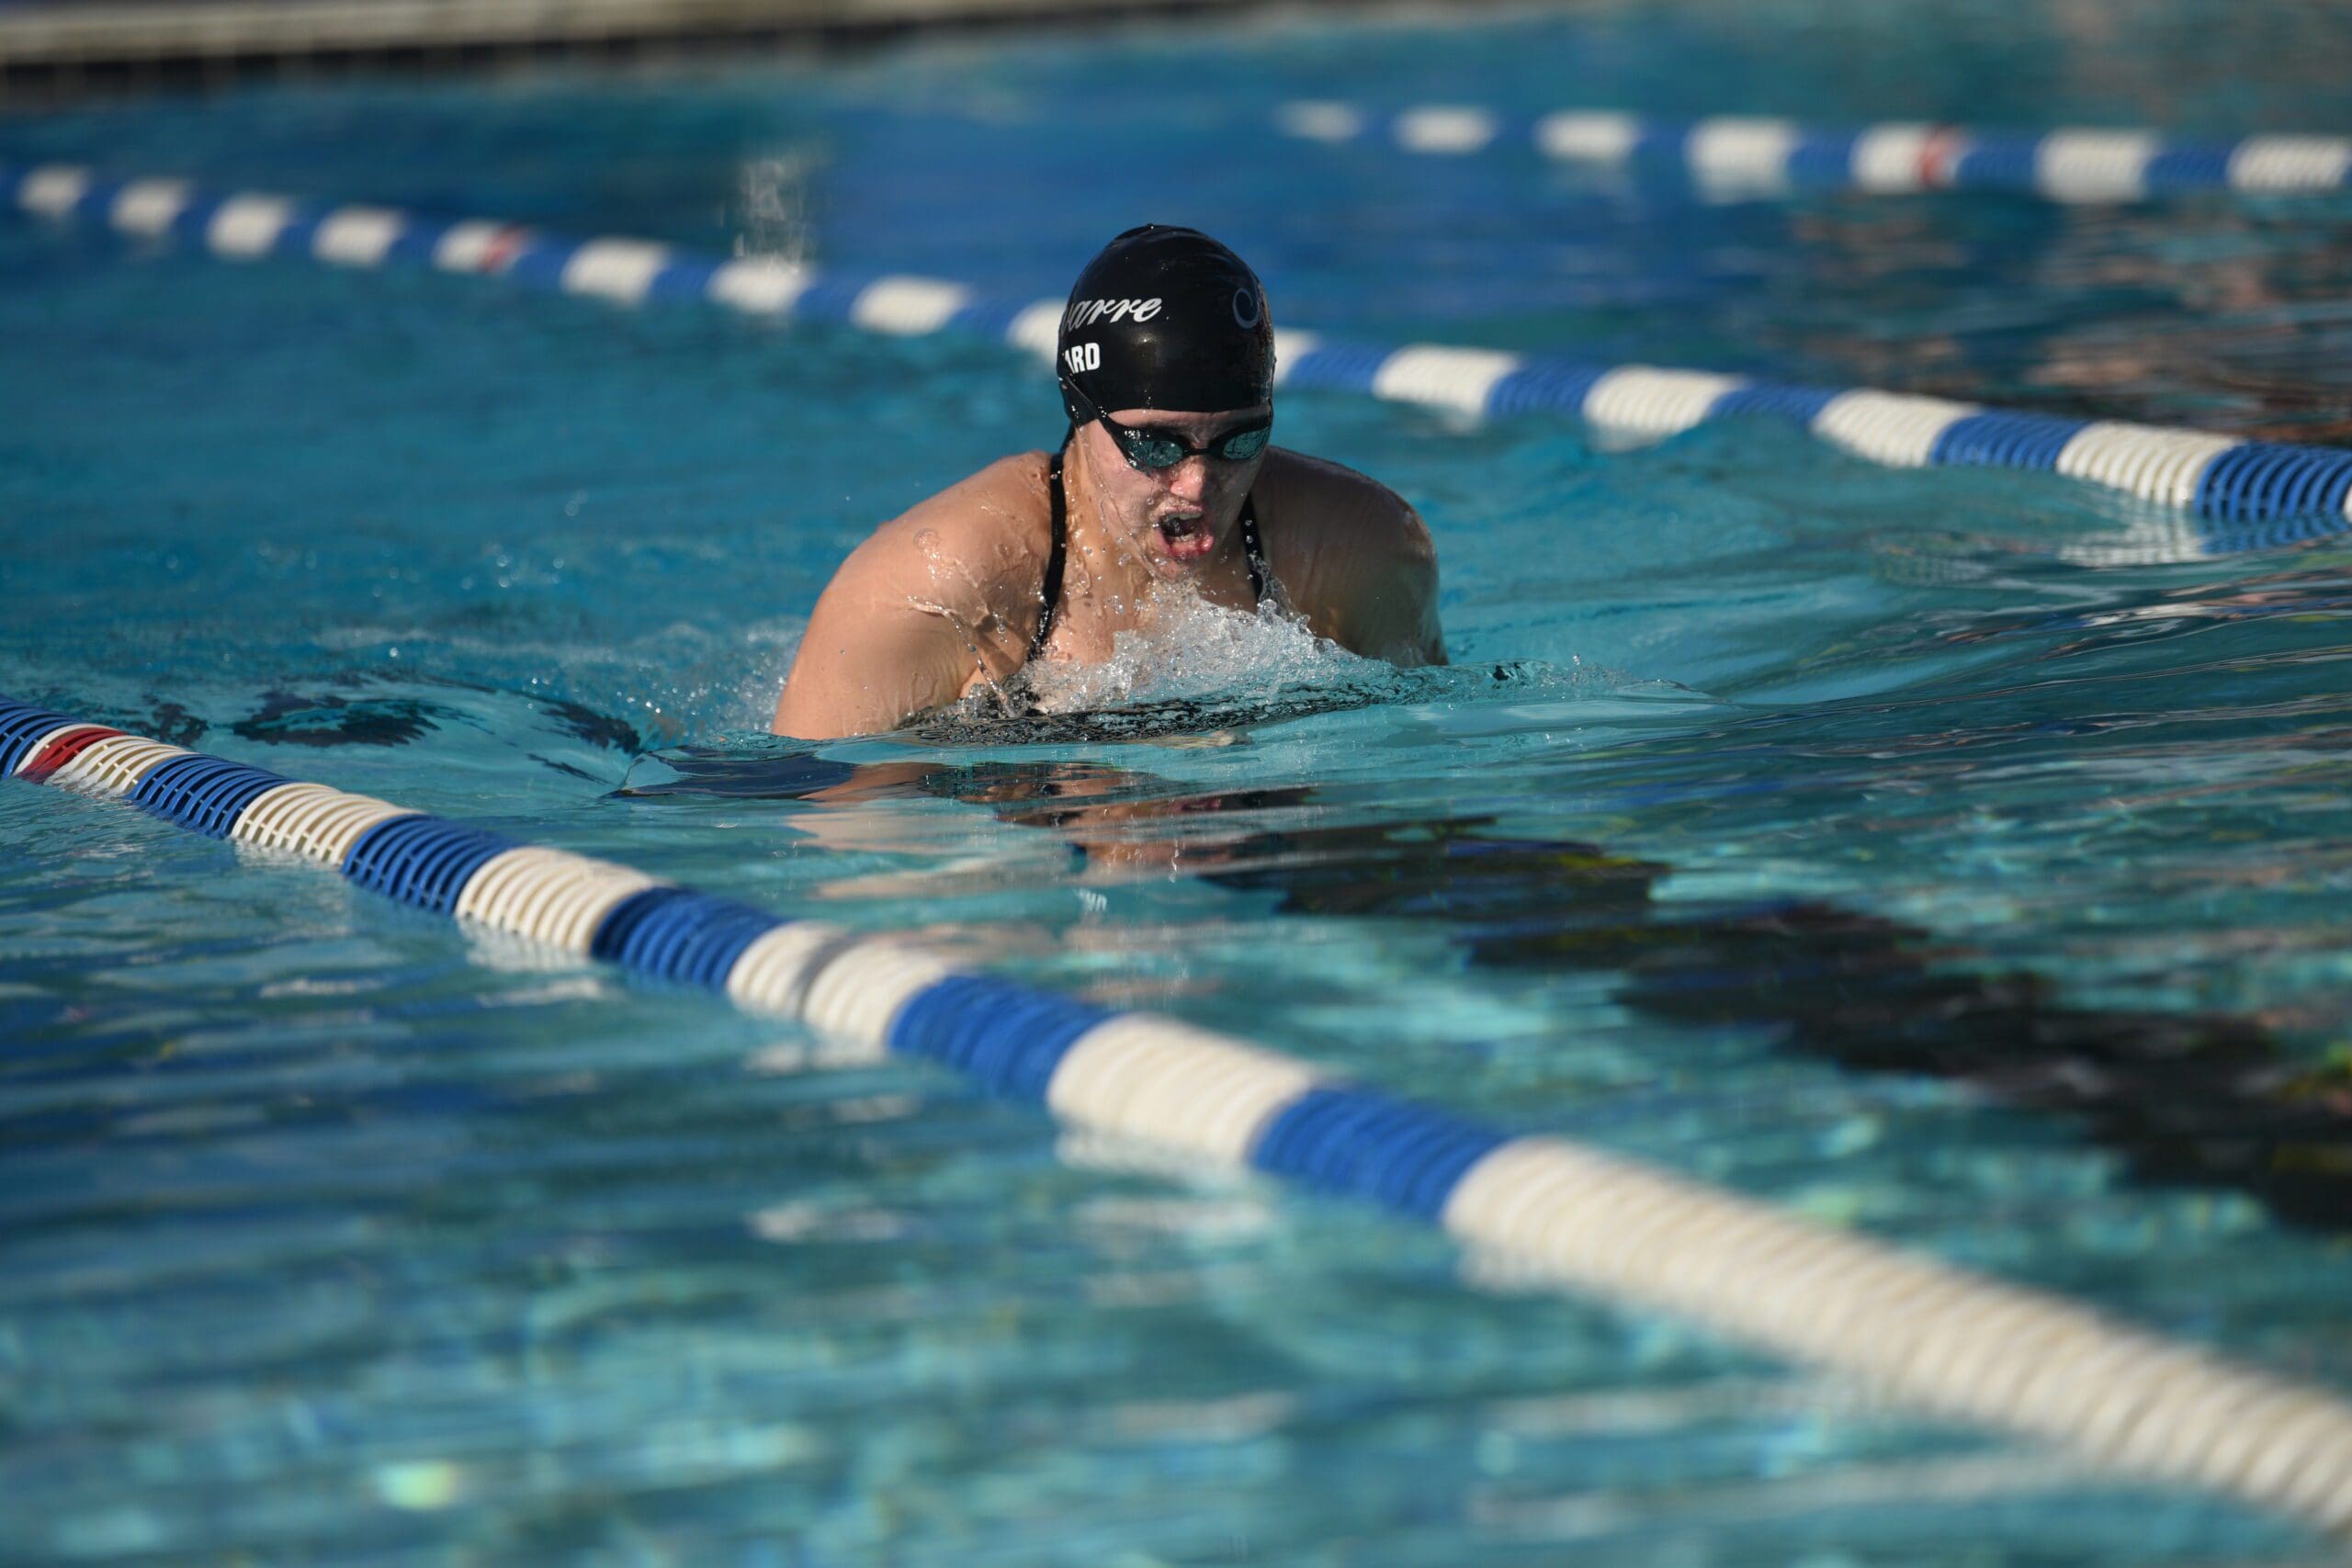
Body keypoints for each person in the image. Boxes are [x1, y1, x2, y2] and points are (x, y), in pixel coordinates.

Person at [772, 225, 1446, 740]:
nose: (1196, 485)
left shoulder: (1361, 548)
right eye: (1156, 443)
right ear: (1079, 407)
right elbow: (812, 823)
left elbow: (1429, 762)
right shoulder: (932, 589)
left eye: (1239, 440)